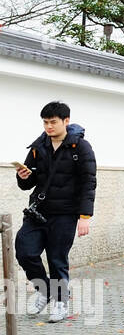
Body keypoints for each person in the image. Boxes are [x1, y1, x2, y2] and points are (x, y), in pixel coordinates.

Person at [14, 101, 97, 322]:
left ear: (66, 121)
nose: (48, 126)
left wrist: (84, 217)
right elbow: (27, 183)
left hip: (65, 214)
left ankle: (60, 301)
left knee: (57, 258)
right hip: (38, 212)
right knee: (25, 251)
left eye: (53, 122)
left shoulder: (81, 148)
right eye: (45, 122)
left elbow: (88, 183)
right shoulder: (38, 146)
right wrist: (23, 176)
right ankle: (46, 291)